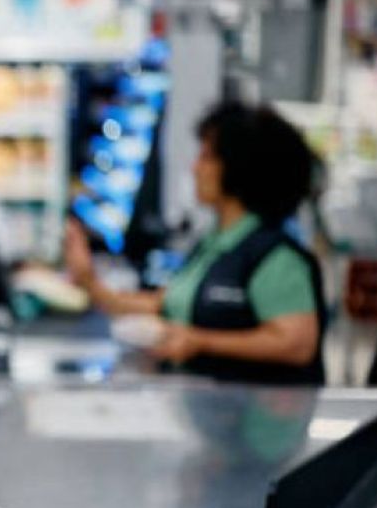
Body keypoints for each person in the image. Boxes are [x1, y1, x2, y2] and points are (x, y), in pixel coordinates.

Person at [65, 101, 327, 384]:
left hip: (257, 423)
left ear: (239, 167)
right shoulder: (214, 246)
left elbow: (296, 344)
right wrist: (88, 281)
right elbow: (166, 304)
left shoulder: (275, 256)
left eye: (206, 157)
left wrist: (200, 341)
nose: (195, 168)